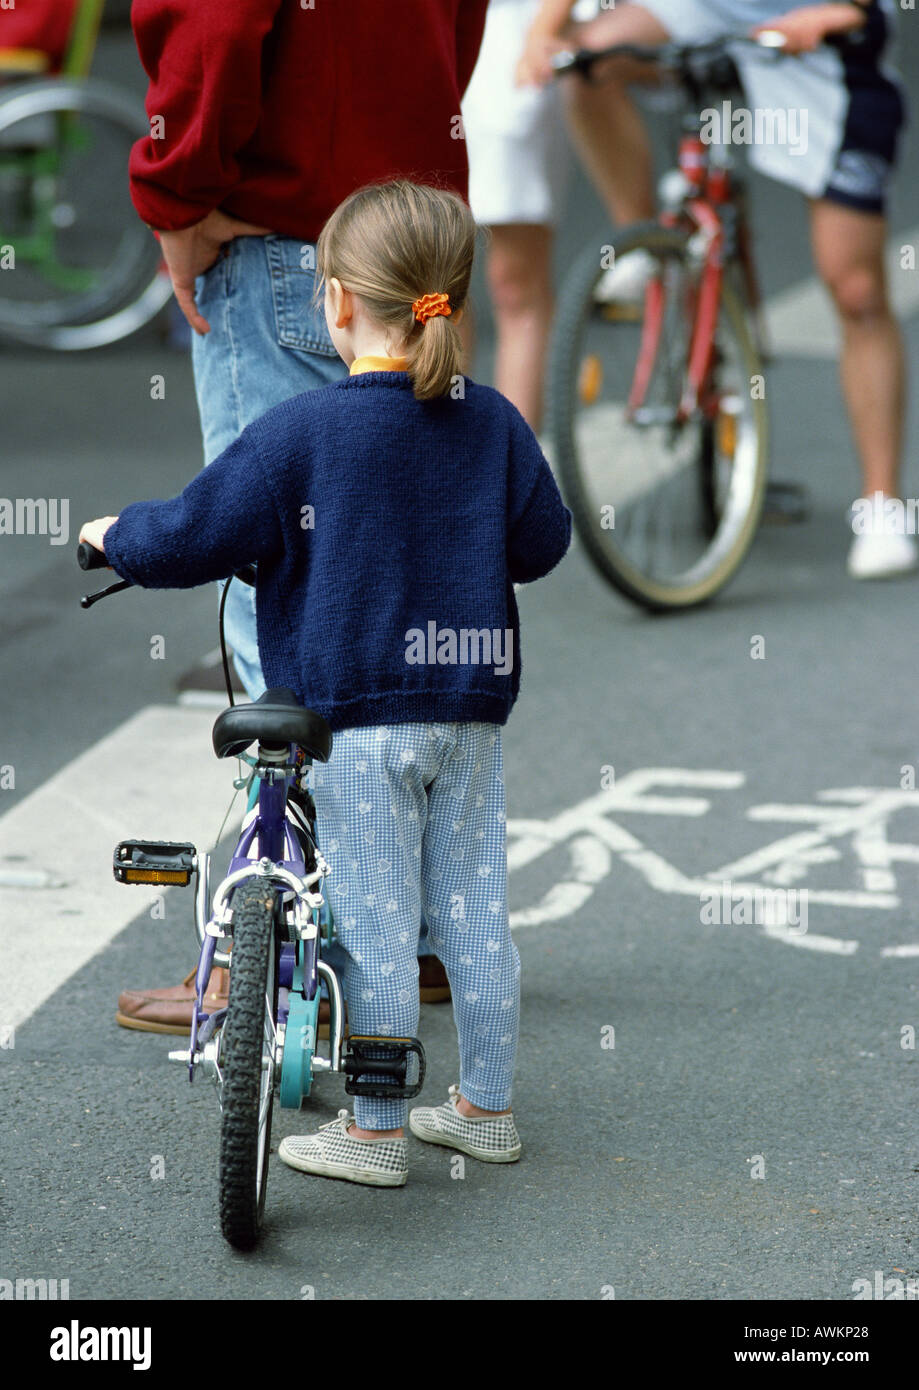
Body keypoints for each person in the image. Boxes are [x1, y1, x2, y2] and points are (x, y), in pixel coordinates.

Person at [80, 179, 572, 1186]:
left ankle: (379, 1128)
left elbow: (192, 534)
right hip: (468, 711)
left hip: (352, 721)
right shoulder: (494, 423)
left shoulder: (303, 433)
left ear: (336, 303)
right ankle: (484, 1108)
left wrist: (111, 537)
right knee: (475, 915)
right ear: (447, 298)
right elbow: (544, 542)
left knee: (379, 927)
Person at [114, 0, 490, 1034]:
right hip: (411, 245)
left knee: (276, 597)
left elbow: (214, 22)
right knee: (402, 586)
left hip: (287, 235)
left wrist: (175, 192)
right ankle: (409, 938)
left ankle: (272, 950)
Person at [516, 0, 916, 580]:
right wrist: (543, 31)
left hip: (821, 35)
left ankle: (881, 503)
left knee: (856, 289)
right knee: (590, 61)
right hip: (709, 9)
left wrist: (837, 14)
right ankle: (651, 247)